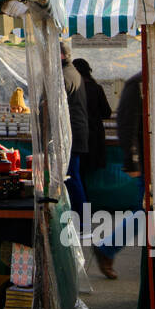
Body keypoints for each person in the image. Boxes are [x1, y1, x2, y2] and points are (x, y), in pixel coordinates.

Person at [92, 71, 145, 280]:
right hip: (146, 161)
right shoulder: (137, 84)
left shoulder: (152, 82)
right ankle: (106, 248)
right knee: (146, 213)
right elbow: (127, 125)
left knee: (146, 213)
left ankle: (107, 249)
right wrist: (132, 160)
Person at [61, 40, 90, 220]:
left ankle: (83, 221)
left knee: (71, 178)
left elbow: (55, 106)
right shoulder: (73, 72)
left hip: (72, 133)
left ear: (61, 55)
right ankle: (82, 220)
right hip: (77, 131)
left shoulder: (65, 75)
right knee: (73, 177)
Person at [72, 58, 113, 175]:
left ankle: (81, 194)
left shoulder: (73, 89)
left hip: (78, 136)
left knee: (78, 172)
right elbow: (107, 112)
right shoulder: (96, 88)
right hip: (95, 136)